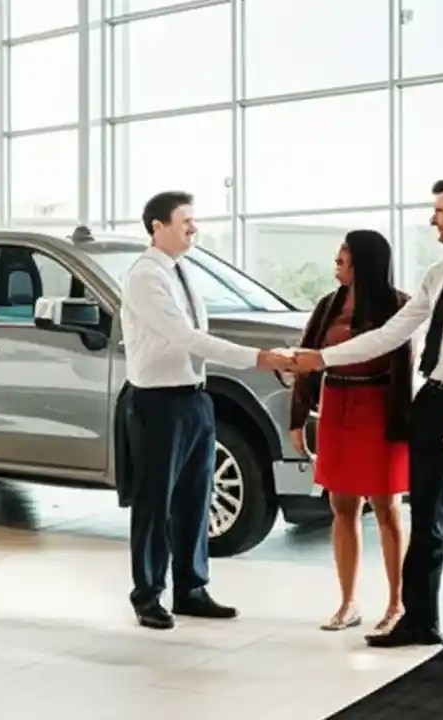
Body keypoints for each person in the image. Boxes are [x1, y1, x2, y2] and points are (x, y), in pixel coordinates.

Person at [292, 172, 443, 661]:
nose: (433, 219)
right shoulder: (440, 272)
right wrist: (324, 359)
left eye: (440, 210)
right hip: (432, 400)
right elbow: (391, 334)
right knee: (426, 518)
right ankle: (419, 620)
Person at [121, 190, 290, 630]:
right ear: (158, 227)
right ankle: (147, 595)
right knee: (155, 503)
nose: (194, 229)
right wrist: (257, 358)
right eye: (186, 222)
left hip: (194, 397)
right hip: (159, 402)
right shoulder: (145, 276)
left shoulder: (181, 271)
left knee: (196, 498)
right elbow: (185, 337)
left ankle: (191, 589)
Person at [288, 231, 411, 634]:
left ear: (364, 262)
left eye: (343, 259)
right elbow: (306, 359)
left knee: (387, 508)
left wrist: (404, 426)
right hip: (337, 407)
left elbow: (406, 368)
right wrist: (297, 418)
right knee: (341, 506)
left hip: (379, 410)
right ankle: (347, 602)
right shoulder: (328, 305)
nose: (336, 266)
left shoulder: (399, 306)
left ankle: (396, 603)